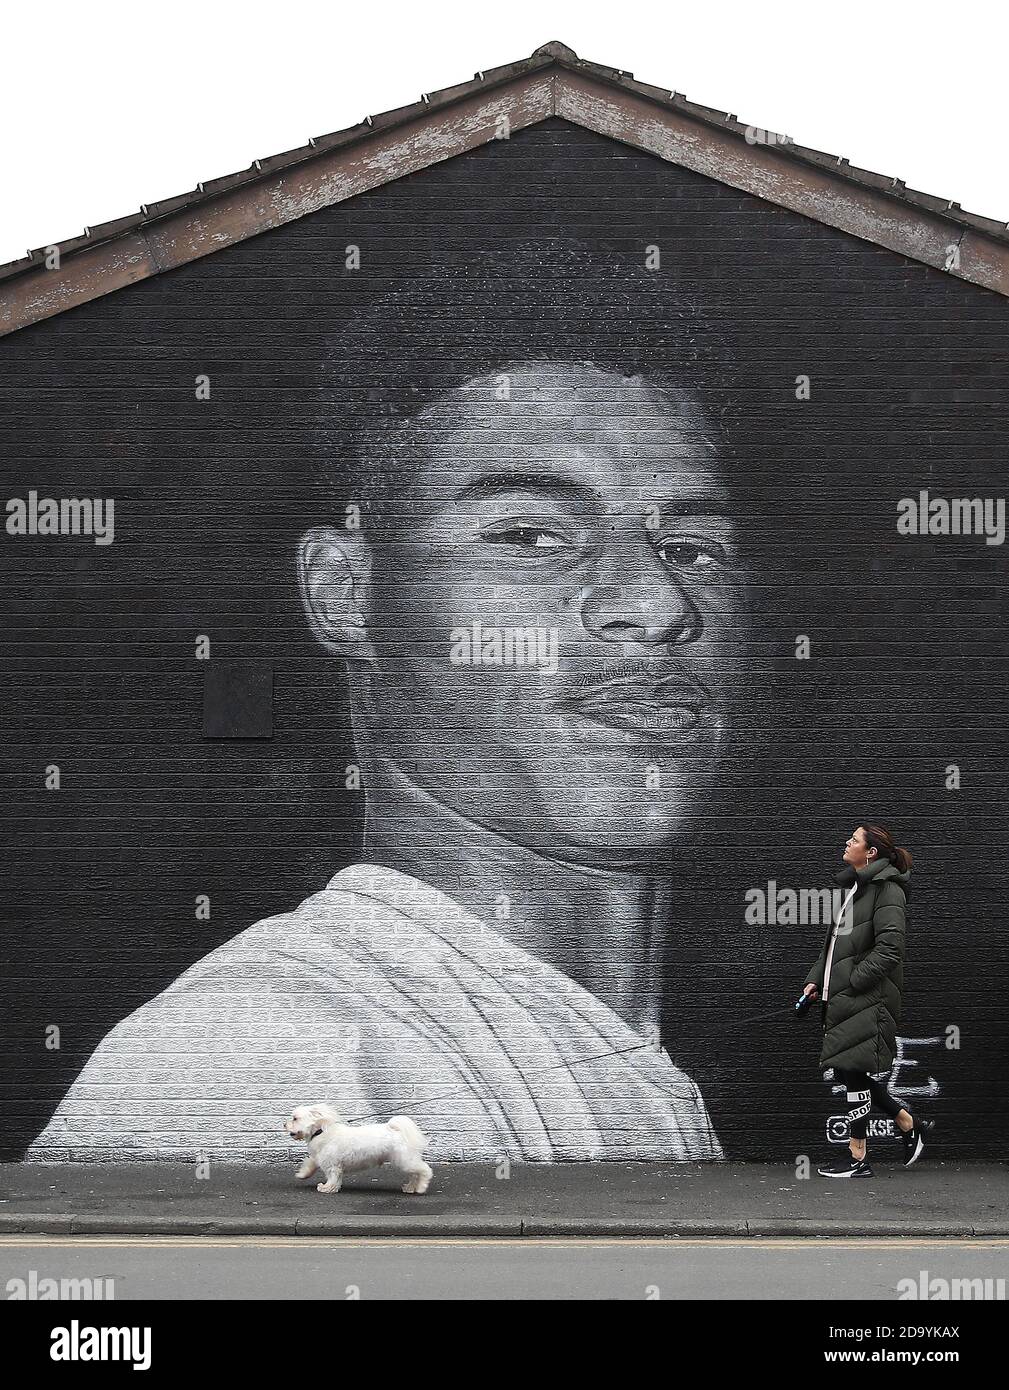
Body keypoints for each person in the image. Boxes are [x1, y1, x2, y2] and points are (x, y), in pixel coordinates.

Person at [26, 298, 751, 1163]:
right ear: (345, 595)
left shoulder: (616, 1057)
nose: (657, 605)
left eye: (694, 548)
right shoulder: (263, 1059)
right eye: (530, 535)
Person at [801, 824, 932, 1177]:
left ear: (871, 852)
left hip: (867, 998)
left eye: (854, 840)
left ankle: (858, 1158)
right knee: (848, 1069)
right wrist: (816, 981)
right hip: (844, 996)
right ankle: (907, 1123)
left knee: (853, 1071)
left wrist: (854, 980)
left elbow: (891, 948)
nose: (847, 842)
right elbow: (834, 948)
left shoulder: (887, 890)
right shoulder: (855, 889)